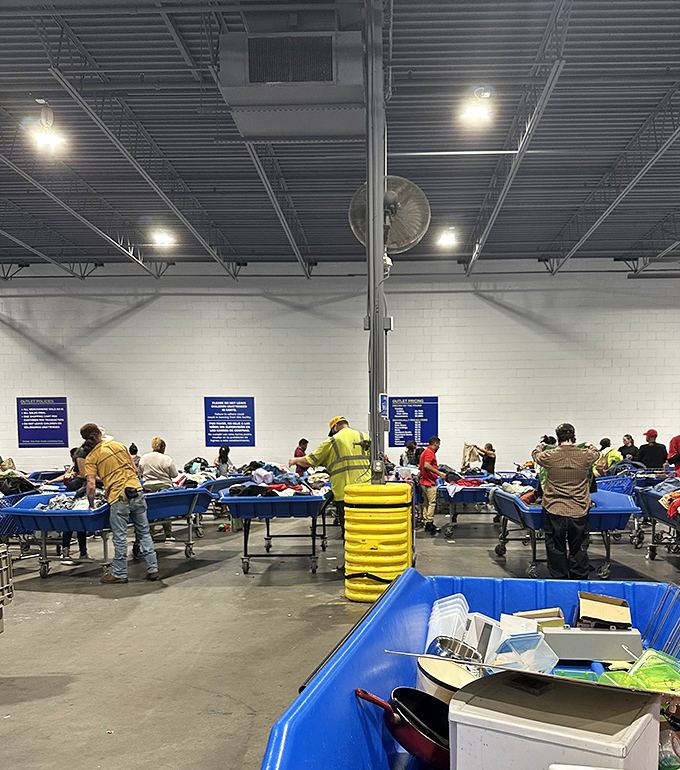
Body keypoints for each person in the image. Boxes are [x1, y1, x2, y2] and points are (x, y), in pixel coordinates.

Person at [82, 423, 158, 584]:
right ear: (99, 435)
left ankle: (119, 573)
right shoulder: (120, 446)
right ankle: (153, 568)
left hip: (119, 497)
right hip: (137, 492)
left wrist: (91, 504)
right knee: (144, 532)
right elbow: (135, 470)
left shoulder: (91, 457)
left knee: (120, 537)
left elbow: (91, 484)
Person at [532, 423, 599, 580]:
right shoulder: (585, 455)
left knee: (556, 548)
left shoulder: (549, 456)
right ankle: (579, 580)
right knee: (579, 548)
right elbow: (596, 453)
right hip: (579, 509)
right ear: (574, 437)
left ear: (557, 438)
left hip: (555, 509)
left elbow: (535, 455)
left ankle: (559, 580)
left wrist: (540, 445)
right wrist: (590, 444)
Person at [289, 416, 370, 528]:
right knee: (367, 523)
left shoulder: (332, 441)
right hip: (366, 489)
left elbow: (310, 460)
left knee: (349, 527)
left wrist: (295, 460)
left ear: (335, 427)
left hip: (344, 490)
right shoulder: (365, 437)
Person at [52, 447, 92, 565]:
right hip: (74, 496)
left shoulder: (78, 469)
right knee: (70, 526)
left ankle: (82, 552)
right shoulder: (76, 471)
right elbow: (71, 477)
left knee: (78, 526)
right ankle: (66, 553)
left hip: (78, 495)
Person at [139, 437, 178, 541]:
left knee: (150, 511)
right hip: (164, 486)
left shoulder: (144, 458)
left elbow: (140, 471)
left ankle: (150, 535)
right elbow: (174, 475)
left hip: (148, 487)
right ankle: (168, 535)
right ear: (162, 447)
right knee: (166, 511)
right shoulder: (167, 459)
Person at [419, 436, 447, 535]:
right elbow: (426, 465)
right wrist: (439, 473)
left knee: (426, 503)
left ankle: (426, 522)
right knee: (432, 503)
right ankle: (430, 523)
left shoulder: (425, 452)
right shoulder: (429, 452)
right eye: (438, 445)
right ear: (435, 444)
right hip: (429, 482)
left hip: (424, 481)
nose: (439, 447)